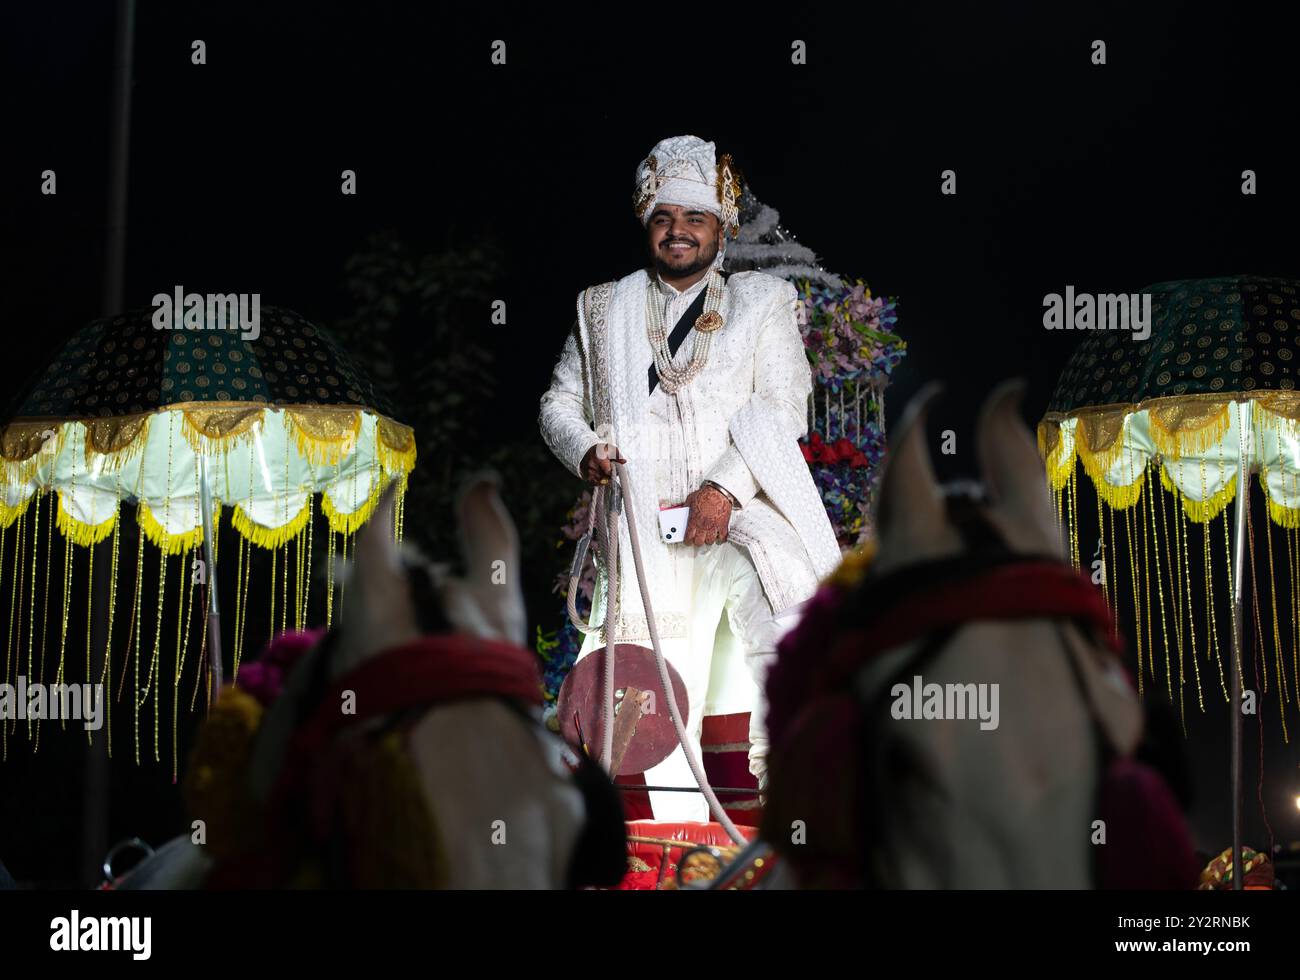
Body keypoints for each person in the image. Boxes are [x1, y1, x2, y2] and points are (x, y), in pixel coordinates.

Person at [539, 135, 840, 822]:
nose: (678, 231)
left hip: (739, 518)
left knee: (781, 629)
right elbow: (557, 402)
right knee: (651, 681)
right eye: (664, 218)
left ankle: (795, 808)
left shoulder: (762, 303)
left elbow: (784, 405)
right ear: (649, 225)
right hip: (645, 531)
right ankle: (675, 841)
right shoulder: (602, 310)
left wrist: (723, 490)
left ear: (721, 229)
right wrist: (585, 448)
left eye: (695, 218)